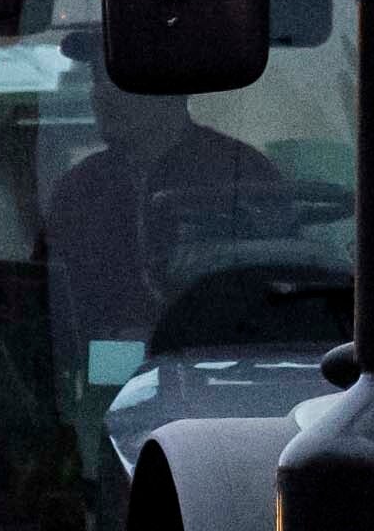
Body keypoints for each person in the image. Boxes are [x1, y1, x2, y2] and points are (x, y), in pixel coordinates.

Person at [40, 75, 294, 359]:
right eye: (97, 79)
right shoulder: (79, 187)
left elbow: (280, 294)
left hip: (223, 363)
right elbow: (47, 309)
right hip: (104, 372)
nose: (102, 95)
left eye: (119, 77)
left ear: (173, 92)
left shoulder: (242, 170)